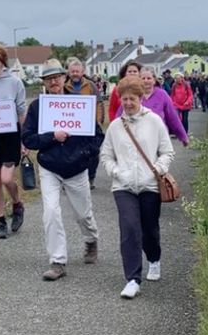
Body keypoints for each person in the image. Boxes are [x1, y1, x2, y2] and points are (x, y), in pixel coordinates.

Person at [23, 59, 102, 280]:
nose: (54, 82)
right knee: (51, 212)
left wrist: (86, 155)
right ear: (45, 83)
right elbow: (28, 138)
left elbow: (97, 135)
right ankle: (57, 261)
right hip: (50, 167)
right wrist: (51, 137)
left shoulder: (80, 103)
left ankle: (90, 238)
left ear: (64, 78)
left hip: (76, 167)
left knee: (83, 214)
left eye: (57, 77)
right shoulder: (37, 107)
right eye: (49, 79)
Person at [100, 76, 175, 299]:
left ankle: (154, 258)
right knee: (130, 228)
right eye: (124, 99)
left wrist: (158, 169)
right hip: (123, 186)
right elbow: (106, 155)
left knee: (149, 229)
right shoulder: (115, 127)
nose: (128, 103)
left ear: (140, 98)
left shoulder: (154, 121)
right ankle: (132, 279)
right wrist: (116, 171)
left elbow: (167, 151)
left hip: (150, 185)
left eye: (132, 99)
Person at [0, 44, 28, 239]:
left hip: (10, 135)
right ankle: (0, 220)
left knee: (7, 178)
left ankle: (17, 204)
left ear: (3, 60)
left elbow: (21, 112)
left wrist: (24, 140)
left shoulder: (15, 82)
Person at [116, 67, 188, 147]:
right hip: (138, 141)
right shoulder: (133, 95)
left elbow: (173, 117)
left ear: (154, 80)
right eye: (143, 78)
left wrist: (183, 136)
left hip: (159, 139)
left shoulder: (162, 95)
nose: (146, 81)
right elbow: (120, 116)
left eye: (149, 78)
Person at [65, 58, 102, 189]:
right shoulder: (64, 86)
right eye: (72, 71)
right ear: (68, 73)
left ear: (82, 72)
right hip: (70, 126)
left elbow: (98, 104)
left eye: (77, 71)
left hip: (89, 126)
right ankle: (69, 178)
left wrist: (97, 122)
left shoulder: (91, 86)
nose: (75, 74)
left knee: (93, 153)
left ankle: (90, 177)